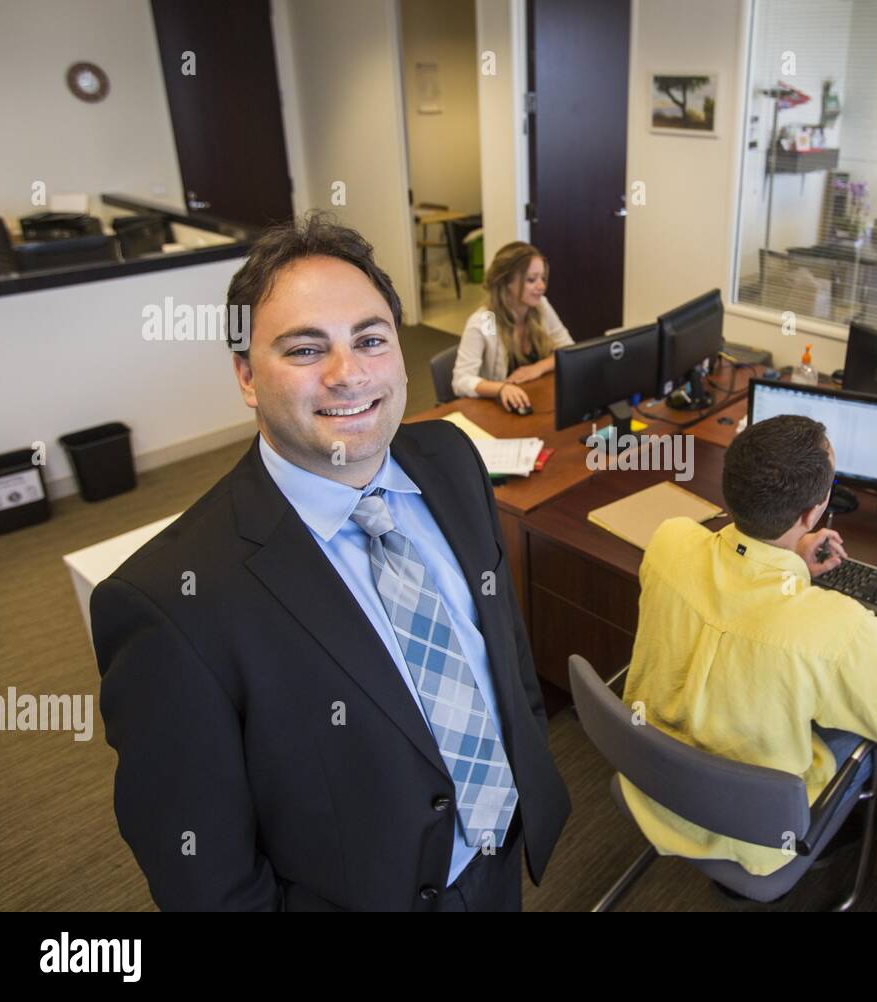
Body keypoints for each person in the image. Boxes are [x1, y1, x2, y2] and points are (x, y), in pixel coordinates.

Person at [91, 213, 570, 911]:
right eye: (306, 349)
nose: (349, 375)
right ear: (246, 376)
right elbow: (208, 881)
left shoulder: (452, 460)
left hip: (499, 860)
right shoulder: (168, 604)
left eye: (370, 339)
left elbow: (500, 645)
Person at [620, 415, 877, 877]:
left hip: (650, 784)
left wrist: (787, 564)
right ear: (812, 514)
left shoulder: (669, 539)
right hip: (752, 838)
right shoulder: (839, 631)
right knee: (864, 731)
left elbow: (735, 591)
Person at [452, 241, 573, 411]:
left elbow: (568, 349)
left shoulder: (541, 306)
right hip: (498, 409)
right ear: (507, 281)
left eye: (543, 278)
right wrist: (501, 388)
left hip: (536, 399)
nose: (541, 286)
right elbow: (461, 380)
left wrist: (537, 368)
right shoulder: (487, 320)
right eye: (531, 280)